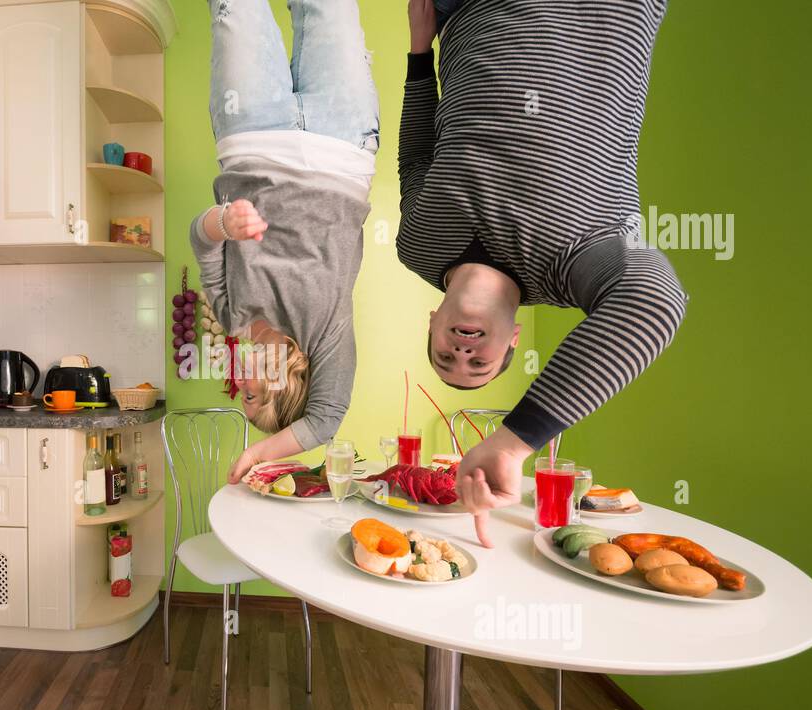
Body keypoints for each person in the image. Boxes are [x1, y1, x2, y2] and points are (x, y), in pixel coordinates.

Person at [397, 0, 688, 545]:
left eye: (445, 356)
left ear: (434, 321)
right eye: (478, 363)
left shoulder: (416, 247)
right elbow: (655, 303)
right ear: (513, 338)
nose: (462, 353)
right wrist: (512, 445)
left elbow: (415, 156)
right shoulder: (572, 264)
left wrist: (419, 50)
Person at [188, 0, 379, 484]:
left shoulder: (234, 319)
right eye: (254, 397)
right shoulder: (323, 334)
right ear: (285, 386)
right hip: (344, 143)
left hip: (251, 135)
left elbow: (201, 240)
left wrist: (223, 223)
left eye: (242, 399)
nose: (240, 388)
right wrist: (259, 458)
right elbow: (326, 419)